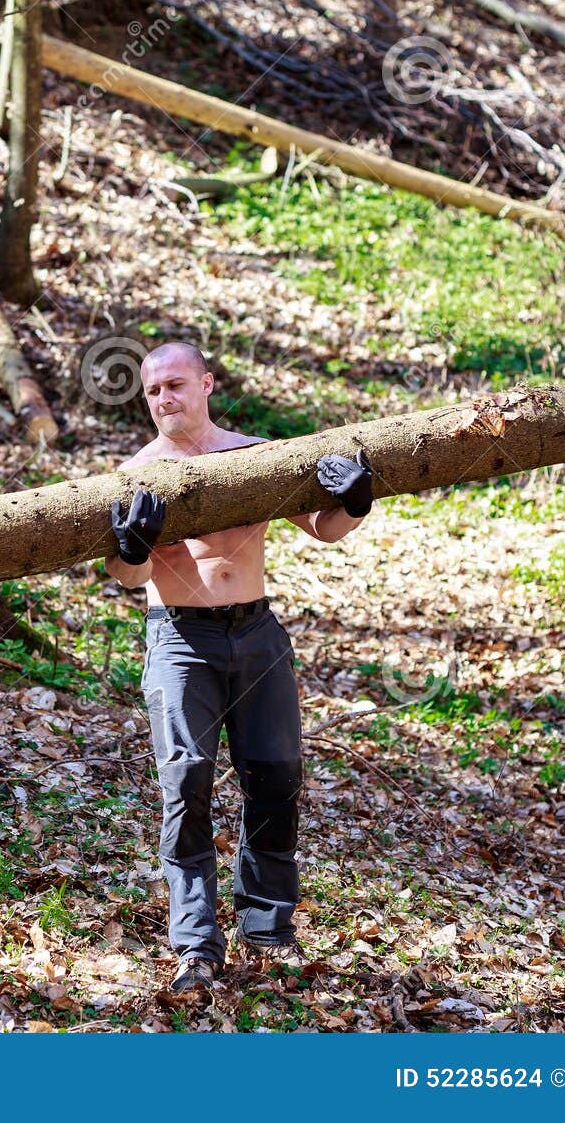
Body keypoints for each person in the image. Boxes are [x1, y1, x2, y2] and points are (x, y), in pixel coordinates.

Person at [103, 342, 374, 1004]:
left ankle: (268, 929)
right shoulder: (136, 473)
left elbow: (324, 526)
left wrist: (358, 499)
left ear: (206, 384)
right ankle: (195, 945)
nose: (164, 398)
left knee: (276, 775)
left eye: (175, 384)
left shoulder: (255, 455)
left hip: (257, 633)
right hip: (180, 639)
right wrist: (131, 544)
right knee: (186, 779)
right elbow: (125, 574)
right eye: (153, 391)